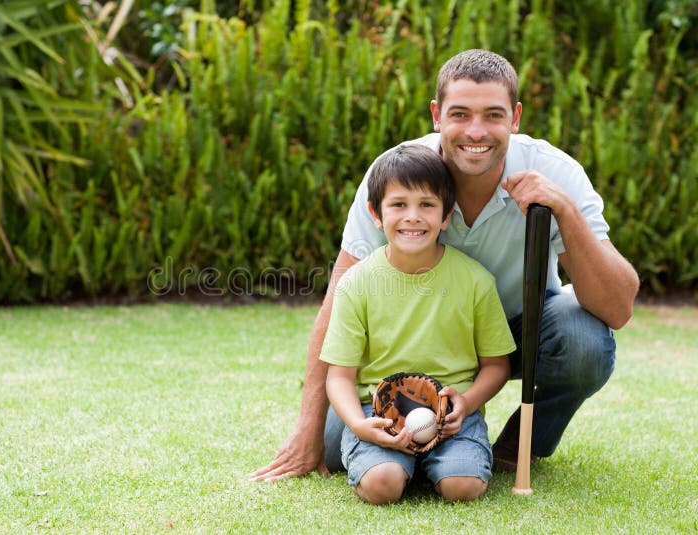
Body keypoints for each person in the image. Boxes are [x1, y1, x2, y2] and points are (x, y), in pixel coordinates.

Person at [250, 49, 639, 483]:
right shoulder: (396, 174)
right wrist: (305, 433)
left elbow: (618, 308)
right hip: (404, 355)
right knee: (332, 449)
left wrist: (564, 210)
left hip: (513, 336)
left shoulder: (553, 172)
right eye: (460, 114)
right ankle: (428, 451)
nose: (476, 131)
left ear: (515, 117)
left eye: (493, 114)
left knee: (583, 337)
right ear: (437, 115)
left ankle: (518, 444)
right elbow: (340, 294)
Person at [320, 143, 515, 504]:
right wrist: (361, 426)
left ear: (446, 215)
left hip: (452, 416)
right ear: (375, 214)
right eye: (398, 205)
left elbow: (497, 366)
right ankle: (393, 464)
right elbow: (339, 376)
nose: (413, 216)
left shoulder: (475, 281)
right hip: (376, 414)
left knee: (464, 488)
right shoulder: (356, 283)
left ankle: (442, 466)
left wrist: (468, 403)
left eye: (426, 205)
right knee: (382, 486)